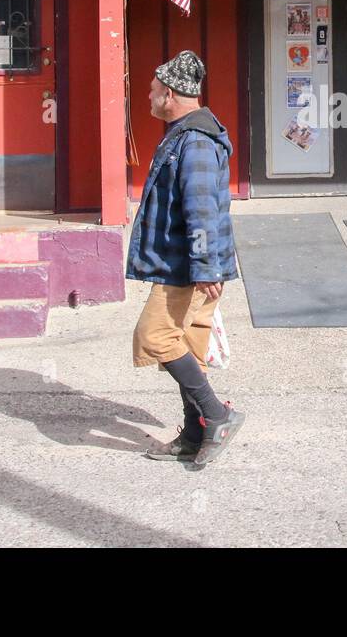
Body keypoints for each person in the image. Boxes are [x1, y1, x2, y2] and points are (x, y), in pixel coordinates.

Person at [127, 50, 244, 466]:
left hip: (189, 267)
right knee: (189, 345)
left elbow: (201, 209)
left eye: (153, 91)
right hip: (189, 264)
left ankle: (216, 415)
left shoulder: (193, 141)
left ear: (171, 94)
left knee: (155, 336)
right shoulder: (185, 134)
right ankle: (194, 433)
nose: (148, 96)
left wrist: (204, 266)